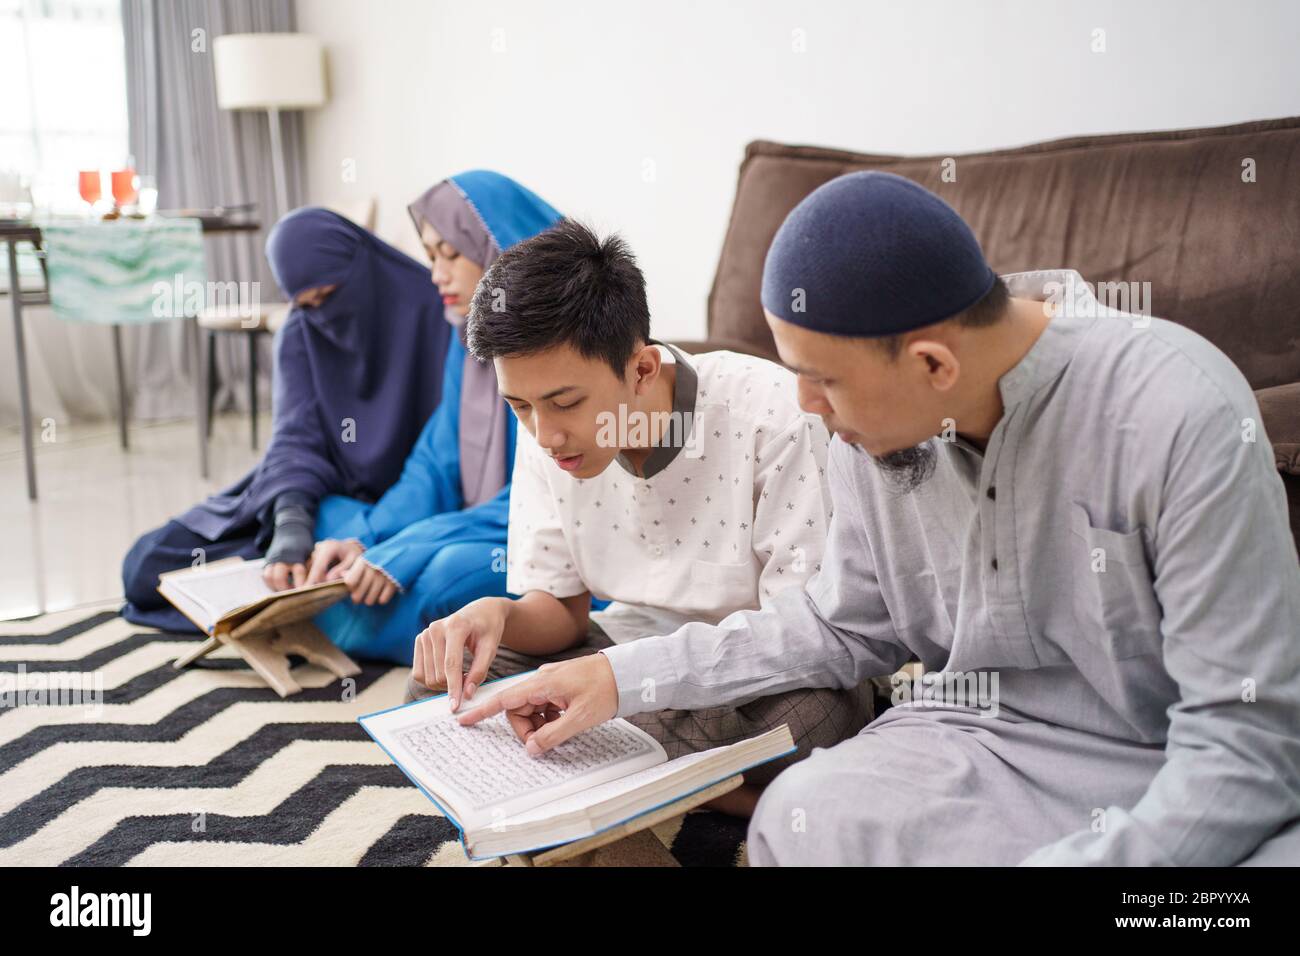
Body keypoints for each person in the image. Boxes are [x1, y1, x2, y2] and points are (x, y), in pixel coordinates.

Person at [456, 172, 1300, 864]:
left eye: (822, 382)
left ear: (933, 363)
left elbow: (1247, 742)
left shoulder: (1177, 412)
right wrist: (620, 678)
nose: (806, 408)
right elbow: (832, 624)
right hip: (974, 744)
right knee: (803, 816)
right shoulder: (865, 431)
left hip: (1171, 767)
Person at [406, 219, 869, 812]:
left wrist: (618, 683)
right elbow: (563, 614)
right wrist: (498, 614)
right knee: (436, 682)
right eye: (519, 406)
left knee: (814, 722)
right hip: (617, 651)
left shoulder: (771, 417)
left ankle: (583, 765)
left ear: (643, 369)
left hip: (756, 671)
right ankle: (693, 784)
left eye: (566, 402)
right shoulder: (546, 430)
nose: (545, 434)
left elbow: (802, 637)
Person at [120, 207, 451, 631]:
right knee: (146, 566)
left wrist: (371, 532)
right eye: (305, 304)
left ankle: (278, 601)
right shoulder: (302, 327)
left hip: (391, 513)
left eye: (328, 297)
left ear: (360, 269)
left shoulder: (435, 313)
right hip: (311, 493)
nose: (321, 316)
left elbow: (443, 462)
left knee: (407, 580)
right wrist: (291, 525)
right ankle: (282, 590)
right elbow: (296, 437)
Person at [303, 171, 563, 662]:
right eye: (430, 256)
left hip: (535, 545)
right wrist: (369, 538)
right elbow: (435, 464)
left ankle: (339, 617)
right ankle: (365, 609)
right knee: (331, 518)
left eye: (451, 253)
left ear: (499, 249)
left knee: (446, 571)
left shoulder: (557, 350)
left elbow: (541, 499)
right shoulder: (465, 334)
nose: (436, 275)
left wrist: (403, 551)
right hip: (469, 524)